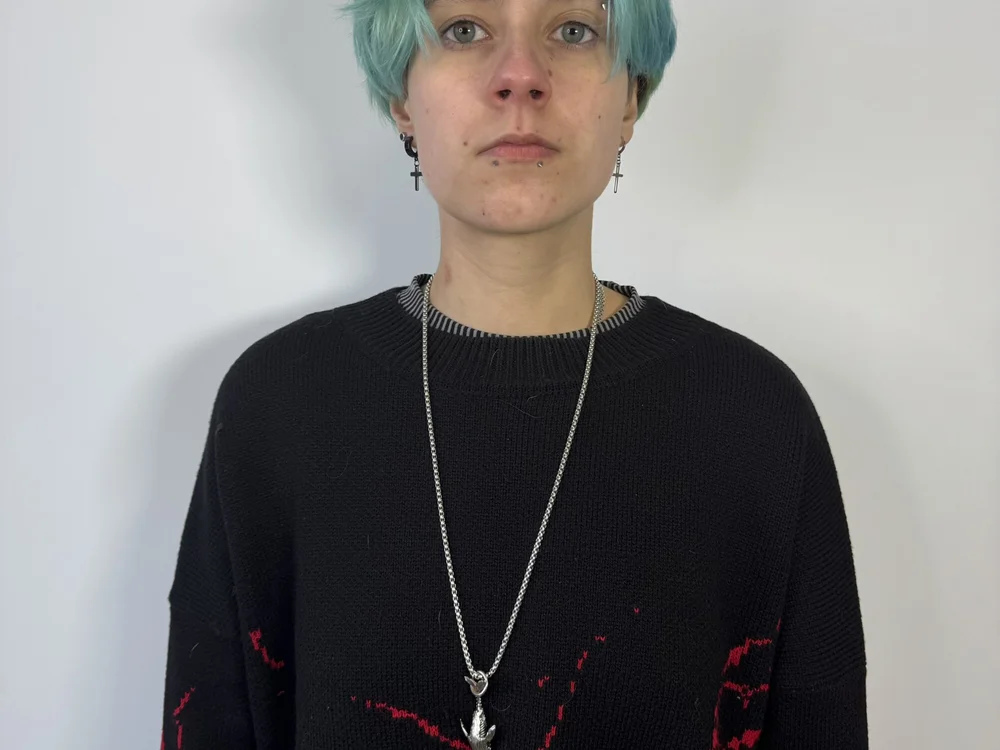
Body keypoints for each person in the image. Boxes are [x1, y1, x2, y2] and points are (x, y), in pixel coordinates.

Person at [160, 0, 867, 747]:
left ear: (631, 96)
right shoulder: (279, 406)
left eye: (574, 30)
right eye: (464, 30)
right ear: (402, 97)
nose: (521, 76)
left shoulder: (752, 416)